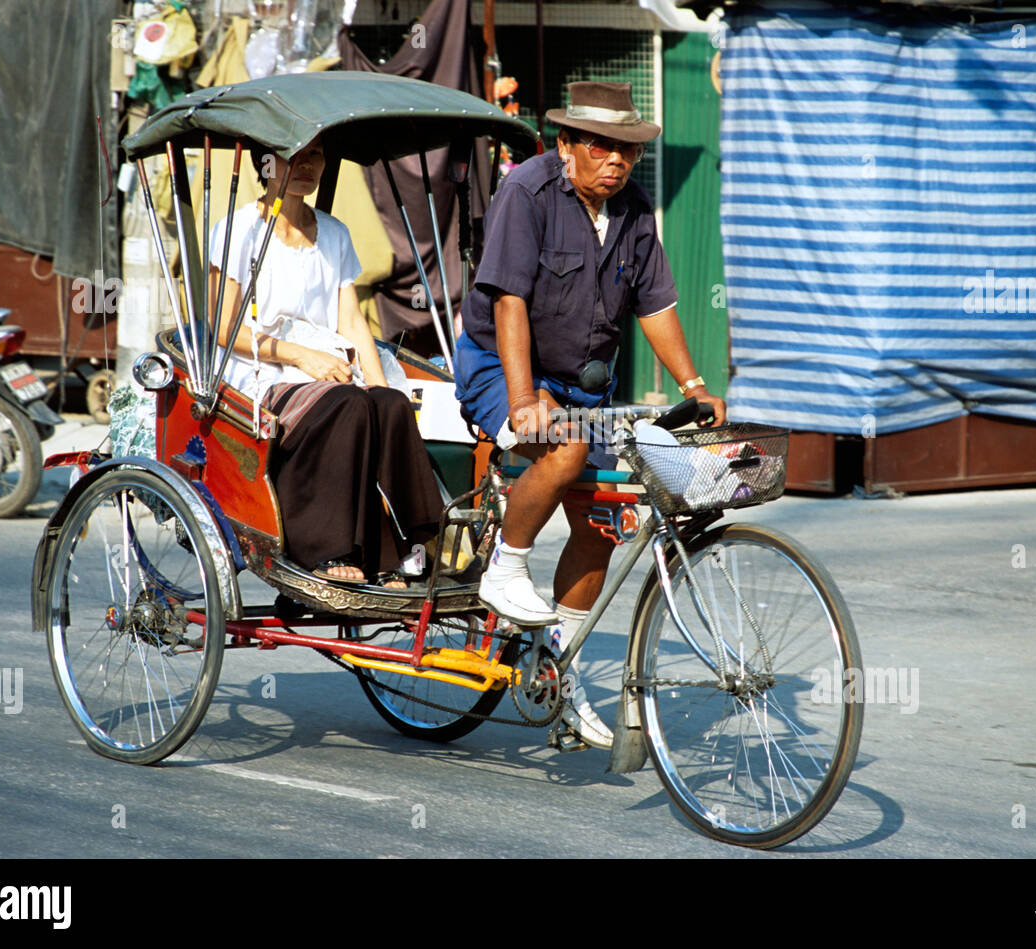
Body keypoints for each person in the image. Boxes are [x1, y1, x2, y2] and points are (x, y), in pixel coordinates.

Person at [454, 82, 726, 748]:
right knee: (565, 450)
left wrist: (693, 380)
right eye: (601, 146)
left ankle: (560, 673)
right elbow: (509, 302)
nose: (617, 160)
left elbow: (655, 305)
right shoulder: (528, 193)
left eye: (628, 149)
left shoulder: (633, 210)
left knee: (604, 519)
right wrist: (522, 399)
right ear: (566, 144)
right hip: (501, 366)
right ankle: (506, 567)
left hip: (582, 384)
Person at [210, 135, 442, 587]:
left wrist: (381, 384)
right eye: (293, 154)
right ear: (267, 162)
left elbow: (351, 318)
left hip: (329, 367)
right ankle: (329, 548)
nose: (306, 164)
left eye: (315, 155)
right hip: (262, 368)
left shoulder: (334, 232)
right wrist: (302, 356)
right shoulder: (237, 231)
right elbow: (223, 329)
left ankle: (417, 545)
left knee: (388, 406)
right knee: (348, 403)